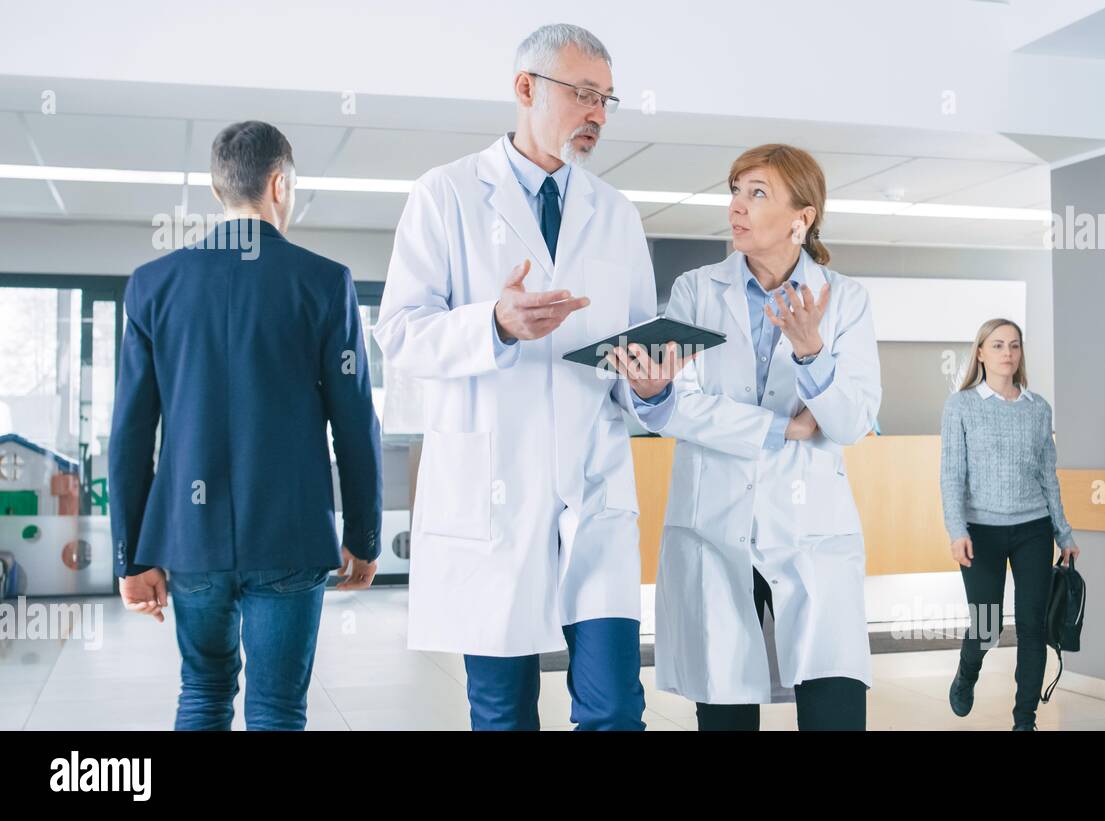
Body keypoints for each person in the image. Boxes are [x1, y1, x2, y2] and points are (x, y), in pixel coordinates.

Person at [374, 23, 690, 731]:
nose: (599, 115)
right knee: (503, 712)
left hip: (595, 492)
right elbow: (399, 334)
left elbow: (632, 354)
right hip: (491, 497)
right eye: (584, 94)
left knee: (615, 712)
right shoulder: (445, 195)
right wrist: (493, 323)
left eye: (607, 99)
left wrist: (650, 386)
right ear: (525, 89)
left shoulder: (616, 215)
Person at [110, 120, 383, 730]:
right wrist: (364, 535)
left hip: (190, 539)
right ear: (279, 185)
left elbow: (129, 435)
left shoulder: (154, 286)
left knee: (203, 694)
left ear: (217, 190)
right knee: (278, 706)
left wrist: (131, 555)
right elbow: (355, 420)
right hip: (290, 535)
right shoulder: (323, 282)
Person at [654, 144, 882, 730]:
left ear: (802, 217)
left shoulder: (846, 301)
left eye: (757, 192)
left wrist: (811, 349)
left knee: (833, 707)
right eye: (734, 189)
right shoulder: (697, 291)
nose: (736, 205)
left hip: (811, 532)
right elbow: (673, 406)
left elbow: (852, 421)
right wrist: (783, 427)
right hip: (716, 524)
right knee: (725, 709)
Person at [940, 317, 1081, 731]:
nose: (1007, 353)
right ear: (980, 353)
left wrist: (1064, 532)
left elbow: (1047, 475)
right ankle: (967, 675)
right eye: (998, 345)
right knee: (985, 627)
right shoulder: (961, 405)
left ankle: (1025, 721)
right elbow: (951, 475)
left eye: (1014, 346)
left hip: (1032, 528)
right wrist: (957, 530)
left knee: (1032, 628)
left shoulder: (1038, 409)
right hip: (980, 531)